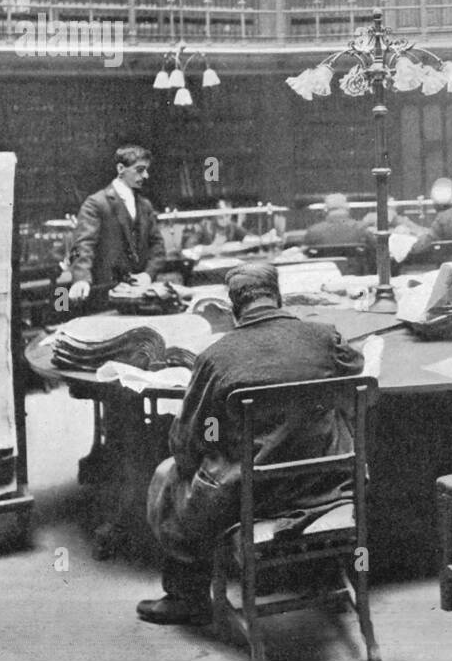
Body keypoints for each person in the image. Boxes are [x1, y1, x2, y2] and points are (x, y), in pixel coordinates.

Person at [139, 262, 365, 625]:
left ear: (232, 308)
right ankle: (312, 573)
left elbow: (187, 441)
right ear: (278, 296)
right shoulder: (324, 337)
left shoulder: (217, 357)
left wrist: (196, 458)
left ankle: (187, 596)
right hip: (330, 482)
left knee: (167, 473)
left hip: (254, 495)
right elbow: (355, 367)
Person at [68, 144, 166, 308]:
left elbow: (158, 246)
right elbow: (82, 245)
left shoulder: (145, 205)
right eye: (140, 170)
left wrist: (148, 275)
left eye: (146, 170)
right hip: (107, 296)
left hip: (141, 295)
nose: (146, 175)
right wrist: (81, 279)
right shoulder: (96, 203)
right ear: (121, 168)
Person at [181, 199, 248, 251]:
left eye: (228, 215)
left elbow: (248, 236)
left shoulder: (232, 226)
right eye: (221, 217)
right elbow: (188, 246)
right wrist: (211, 247)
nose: (225, 219)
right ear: (214, 215)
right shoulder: (203, 226)